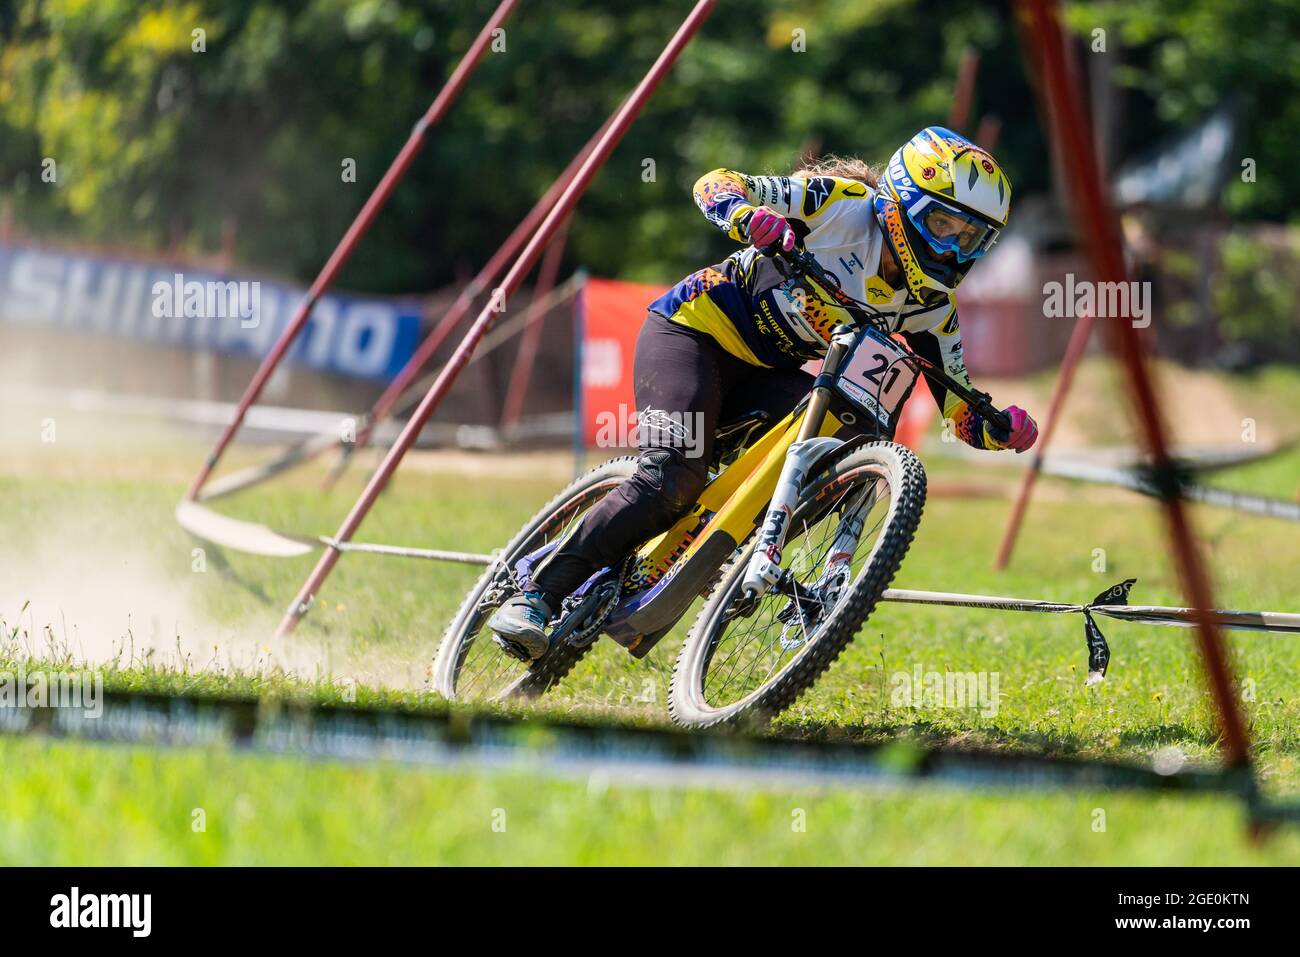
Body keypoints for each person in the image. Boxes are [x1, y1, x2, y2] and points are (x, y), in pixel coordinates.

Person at [490, 126, 1038, 658]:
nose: (954, 250)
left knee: (838, 452)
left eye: (971, 239)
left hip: (770, 372)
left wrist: (999, 428)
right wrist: (746, 215)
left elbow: (960, 407)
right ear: (903, 202)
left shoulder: (931, 309)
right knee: (672, 475)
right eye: (944, 225)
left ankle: (728, 554)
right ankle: (535, 596)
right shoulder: (841, 205)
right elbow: (716, 182)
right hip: (695, 330)